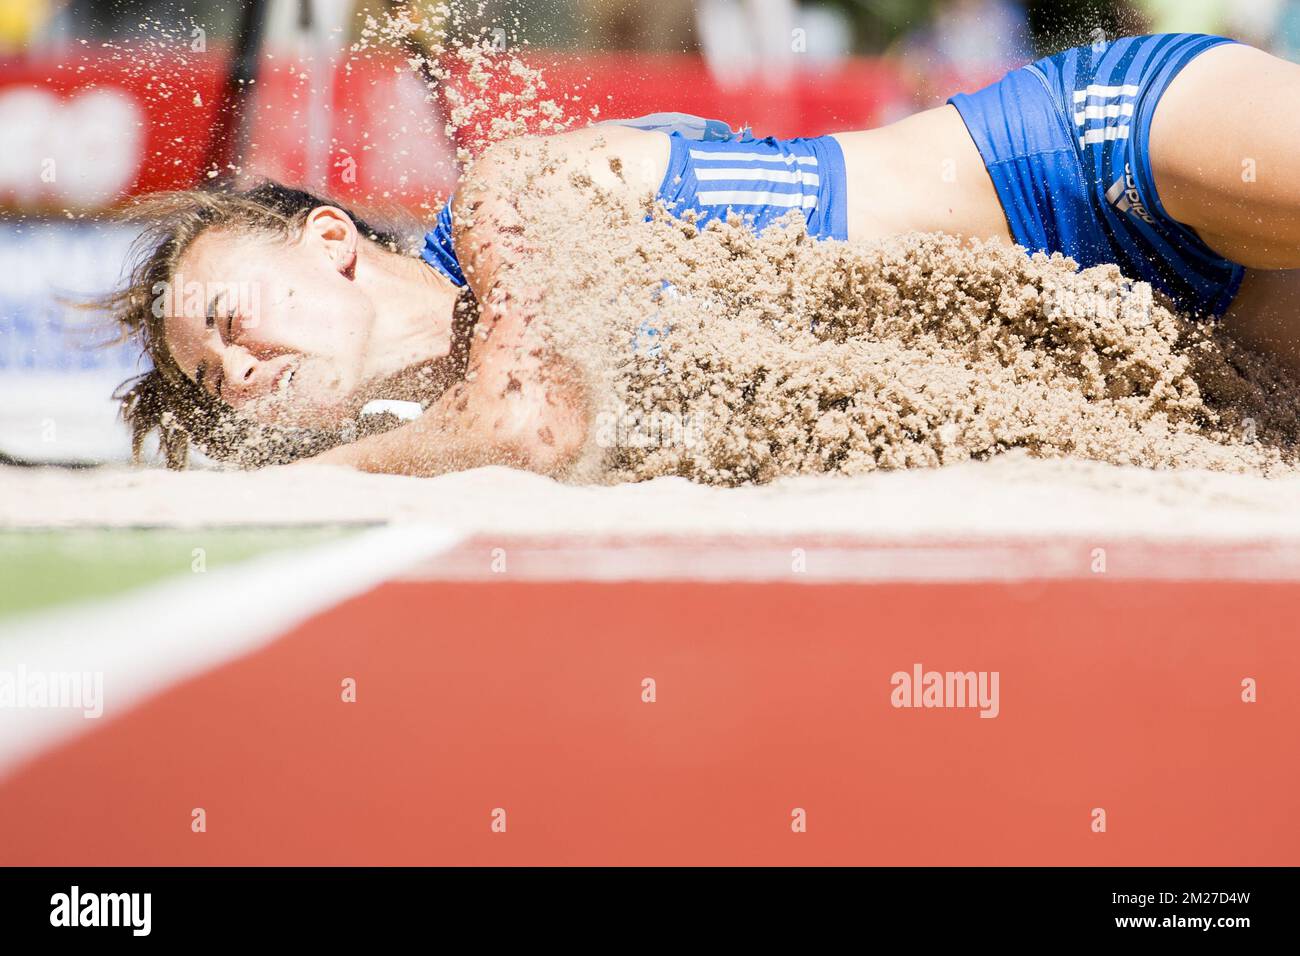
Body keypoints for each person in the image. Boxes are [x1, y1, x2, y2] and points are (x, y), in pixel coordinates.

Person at [112, 33, 1300, 476]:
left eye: (227, 317)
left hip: (1087, 162)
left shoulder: (506, 193)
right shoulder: (457, 441)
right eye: (218, 381)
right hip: (1163, 358)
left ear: (331, 241)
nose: (244, 364)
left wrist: (312, 480)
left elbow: (531, 418)